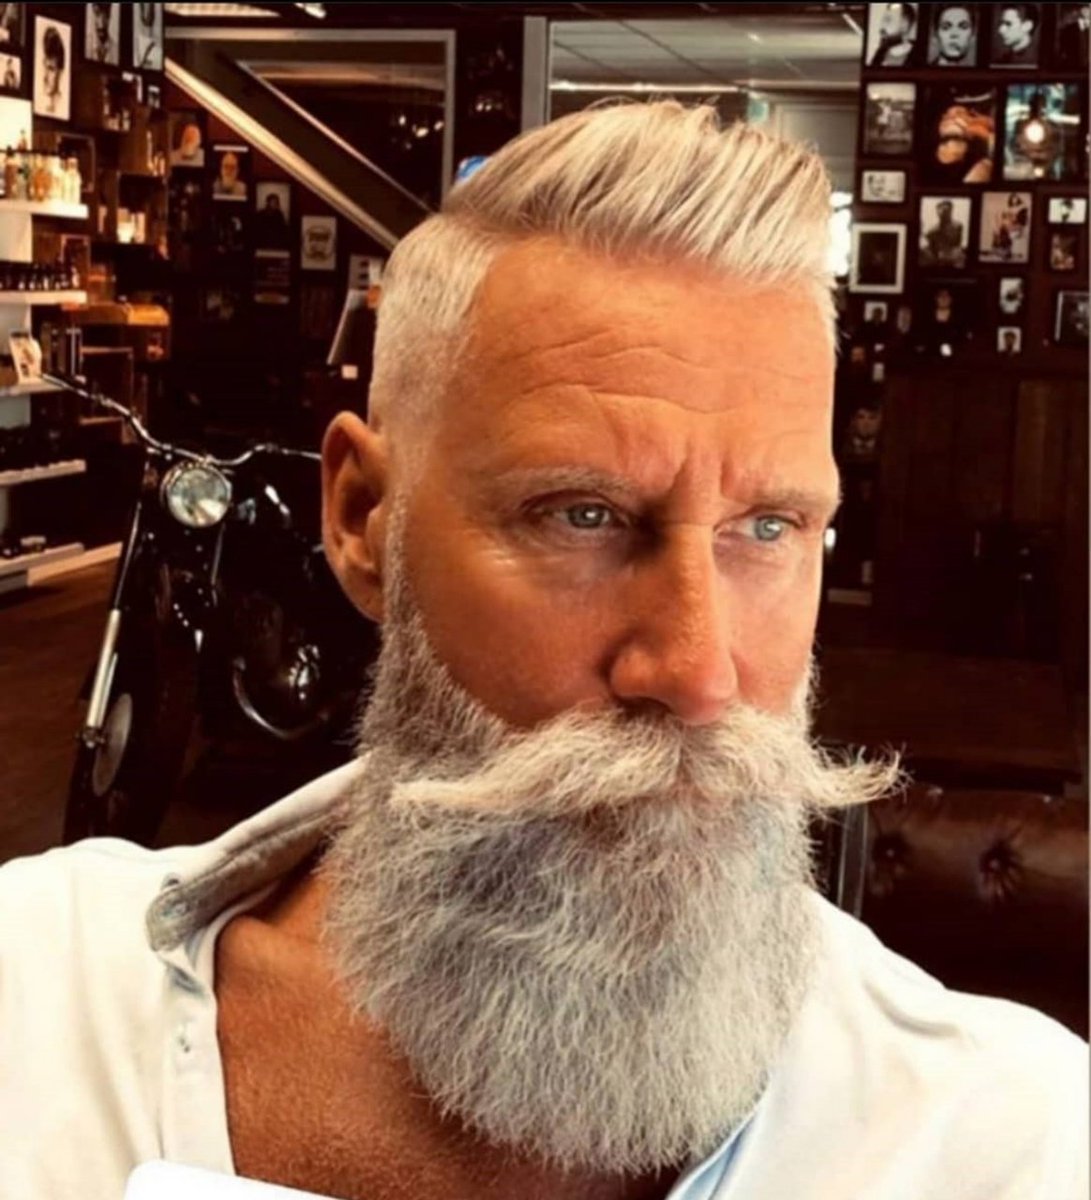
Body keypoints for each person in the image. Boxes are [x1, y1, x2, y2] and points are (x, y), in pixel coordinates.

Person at [0, 103, 1086, 1200]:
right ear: (364, 519)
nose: (699, 676)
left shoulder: (1002, 1141)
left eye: (767, 529)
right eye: (582, 517)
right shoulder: (38, 999)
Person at [920, 199, 966, 268]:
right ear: (937, 213)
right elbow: (931, 249)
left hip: (955, 258)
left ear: (951, 211)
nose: (944, 213)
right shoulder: (932, 231)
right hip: (938, 261)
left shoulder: (958, 226)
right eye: (941, 211)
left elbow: (958, 244)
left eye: (947, 211)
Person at [38, 23, 65, 116]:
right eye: (44, 66)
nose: (45, 76)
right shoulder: (39, 102)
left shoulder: (62, 108)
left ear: (60, 72)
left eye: (51, 69)